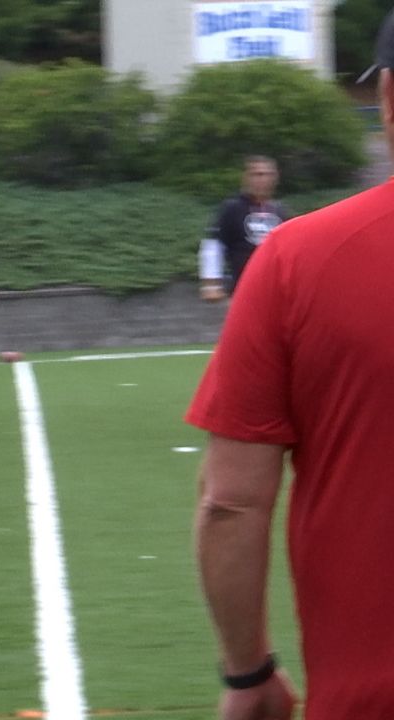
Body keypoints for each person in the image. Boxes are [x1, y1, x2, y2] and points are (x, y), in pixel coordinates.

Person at [188, 13, 394, 719]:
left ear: (388, 96)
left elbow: (231, 501)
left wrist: (249, 676)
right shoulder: (264, 233)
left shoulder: (300, 257)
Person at [197, 156, 290, 302]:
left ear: (276, 178)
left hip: (276, 292)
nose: (263, 179)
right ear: (246, 178)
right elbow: (214, 246)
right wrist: (211, 284)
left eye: (268, 174)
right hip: (243, 291)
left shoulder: (279, 211)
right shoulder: (232, 208)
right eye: (257, 174)